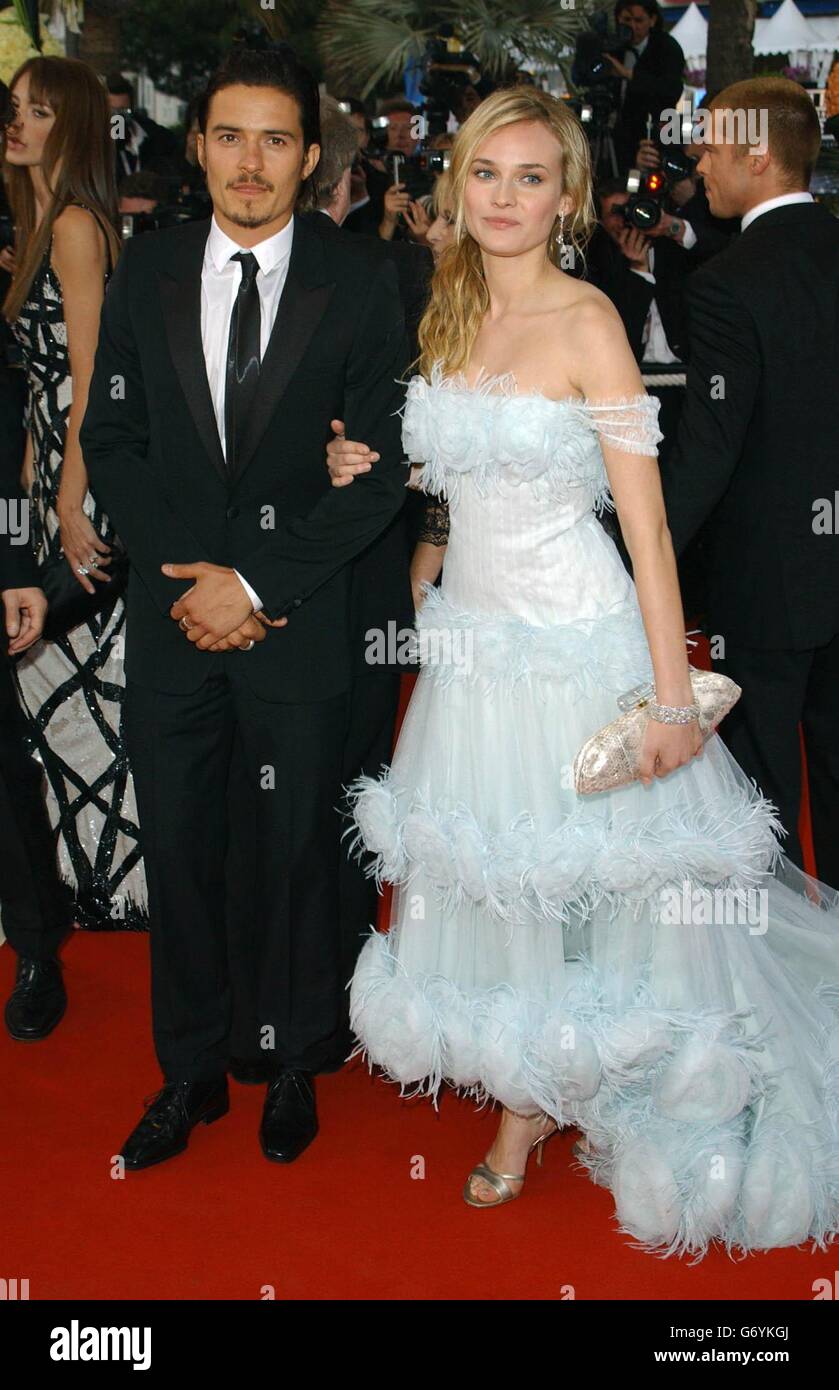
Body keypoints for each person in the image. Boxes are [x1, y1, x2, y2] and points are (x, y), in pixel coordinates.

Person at [325, 84, 839, 1260]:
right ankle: (532, 1075)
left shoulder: (590, 321)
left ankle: (527, 1112)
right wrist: (414, 519)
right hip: (471, 652)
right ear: (456, 183)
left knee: (582, 889)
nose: (504, 197)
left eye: (530, 177)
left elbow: (647, 528)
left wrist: (670, 700)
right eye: (484, 173)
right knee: (503, 880)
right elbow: (456, 476)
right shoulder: (446, 307)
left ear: (567, 197)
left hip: (574, 648)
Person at [80, 45, 410, 1171]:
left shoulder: (362, 280)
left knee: (295, 852)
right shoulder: (148, 268)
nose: (250, 162)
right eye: (229, 136)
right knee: (180, 849)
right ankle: (190, 1070)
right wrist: (196, 578)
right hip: (178, 624)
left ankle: (296, 1059)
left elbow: (381, 466)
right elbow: (110, 441)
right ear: (198, 145)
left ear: (311, 156)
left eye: (275, 139)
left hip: (302, 622)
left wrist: (260, 585)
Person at [661, 76, 839, 892]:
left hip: (765, 585)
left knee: (761, 798)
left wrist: (640, 552)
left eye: (709, 145)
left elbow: (707, 452)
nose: (699, 163)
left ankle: (781, 980)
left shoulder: (729, 281)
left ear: (757, 155)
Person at [3, 56, 146, 930]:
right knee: (57, 681)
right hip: (52, 467)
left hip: (79, 474)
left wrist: (63, 498)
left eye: (39, 111)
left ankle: (114, 878)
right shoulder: (46, 218)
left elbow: (91, 374)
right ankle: (82, 875)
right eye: (14, 106)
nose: (16, 121)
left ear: (78, 125)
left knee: (85, 678)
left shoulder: (75, 227)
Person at [608, 1, 685, 175]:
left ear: (652, 20)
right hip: (618, 138)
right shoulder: (614, 48)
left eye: (639, 20)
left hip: (656, 135)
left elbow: (670, 89)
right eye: (626, 20)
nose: (633, 27)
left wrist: (629, 74)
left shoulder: (666, 47)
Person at [106, 73, 178, 178]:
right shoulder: (96, 144)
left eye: (123, 111)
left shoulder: (156, 138)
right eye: (112, 111)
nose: (118, 117)